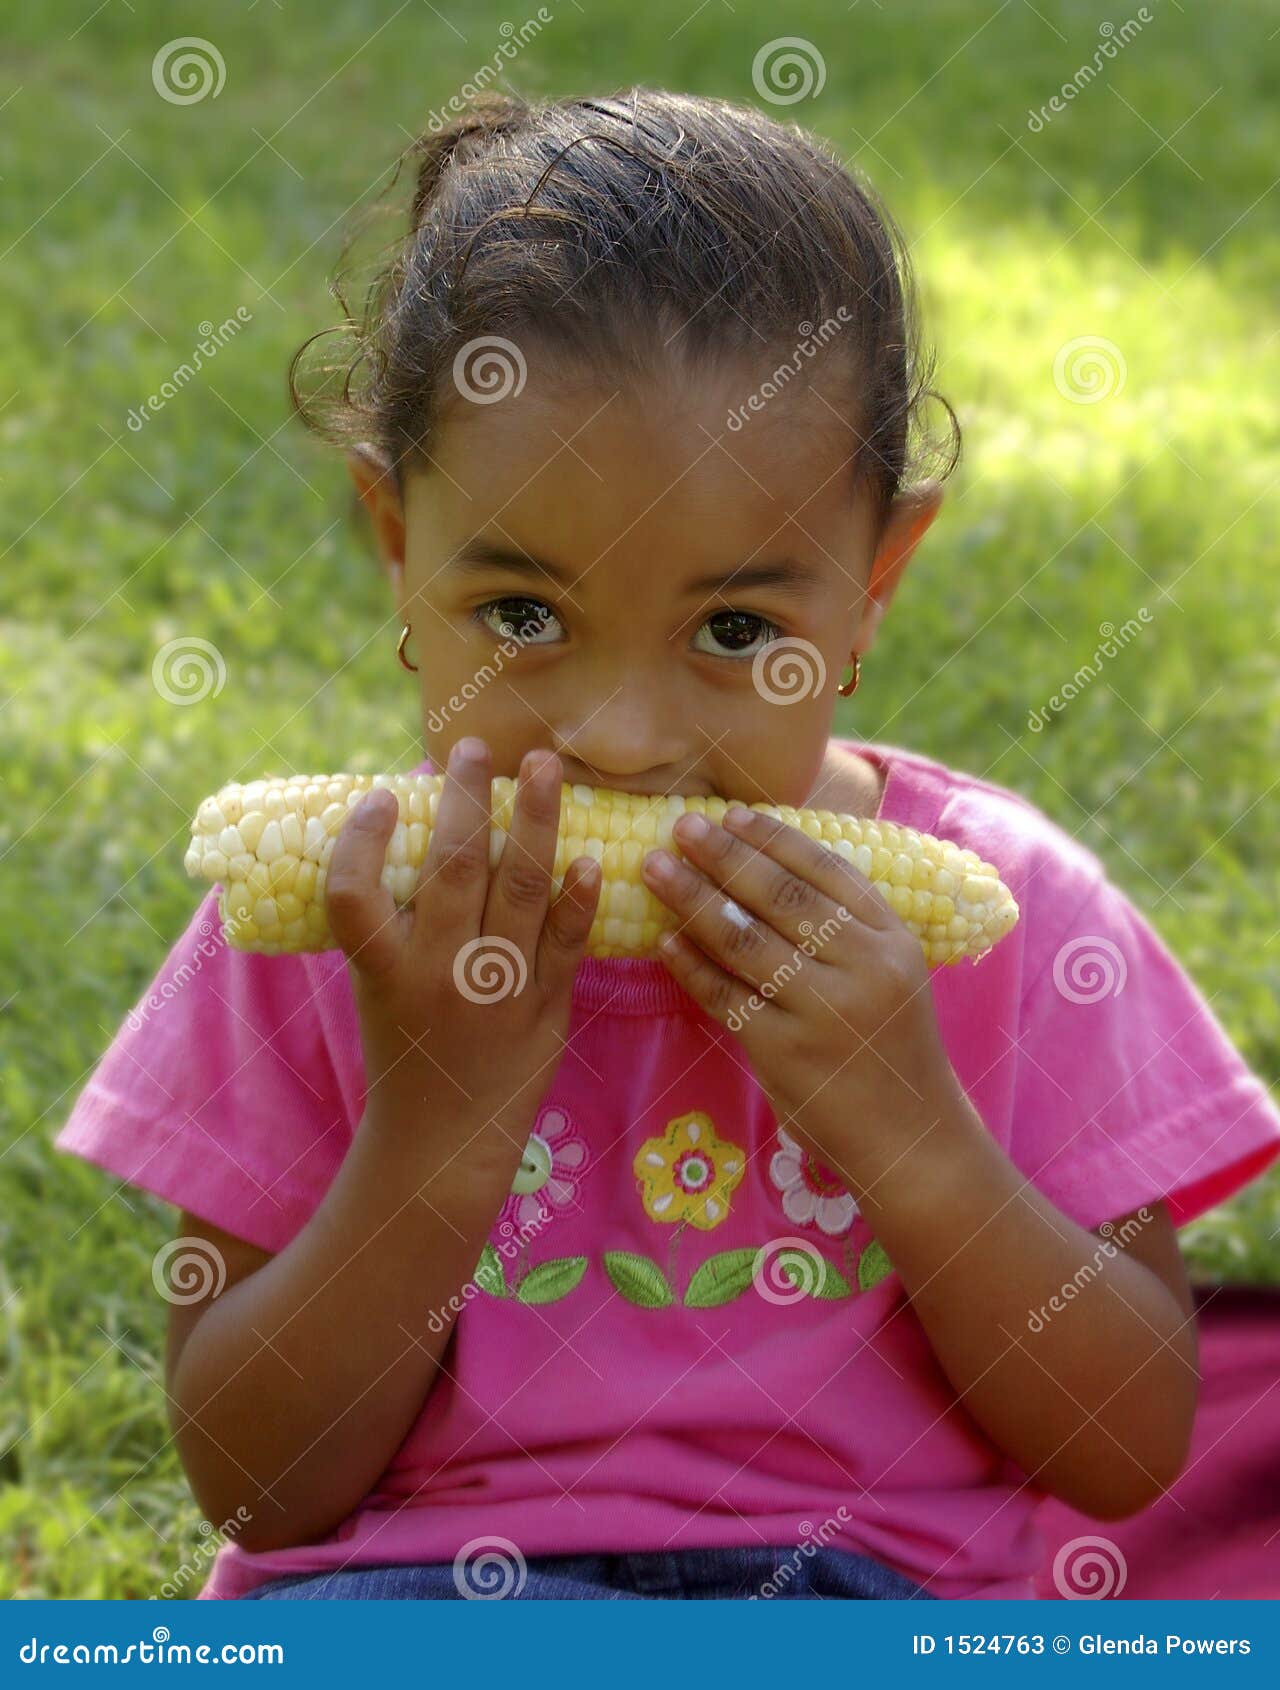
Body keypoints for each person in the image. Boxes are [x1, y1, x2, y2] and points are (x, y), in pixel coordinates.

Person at [55, 88, 1280, 1602]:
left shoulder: (1027, 918)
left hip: (868, 1598)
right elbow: (257, 1483)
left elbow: (1129, 1443)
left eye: (734, 629)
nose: (622, 734)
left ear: (877, 580)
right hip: (427, 1599)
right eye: (521, 616)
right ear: (393, 538)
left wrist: (917, 1136)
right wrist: (436, 1128)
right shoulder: (342, 927)